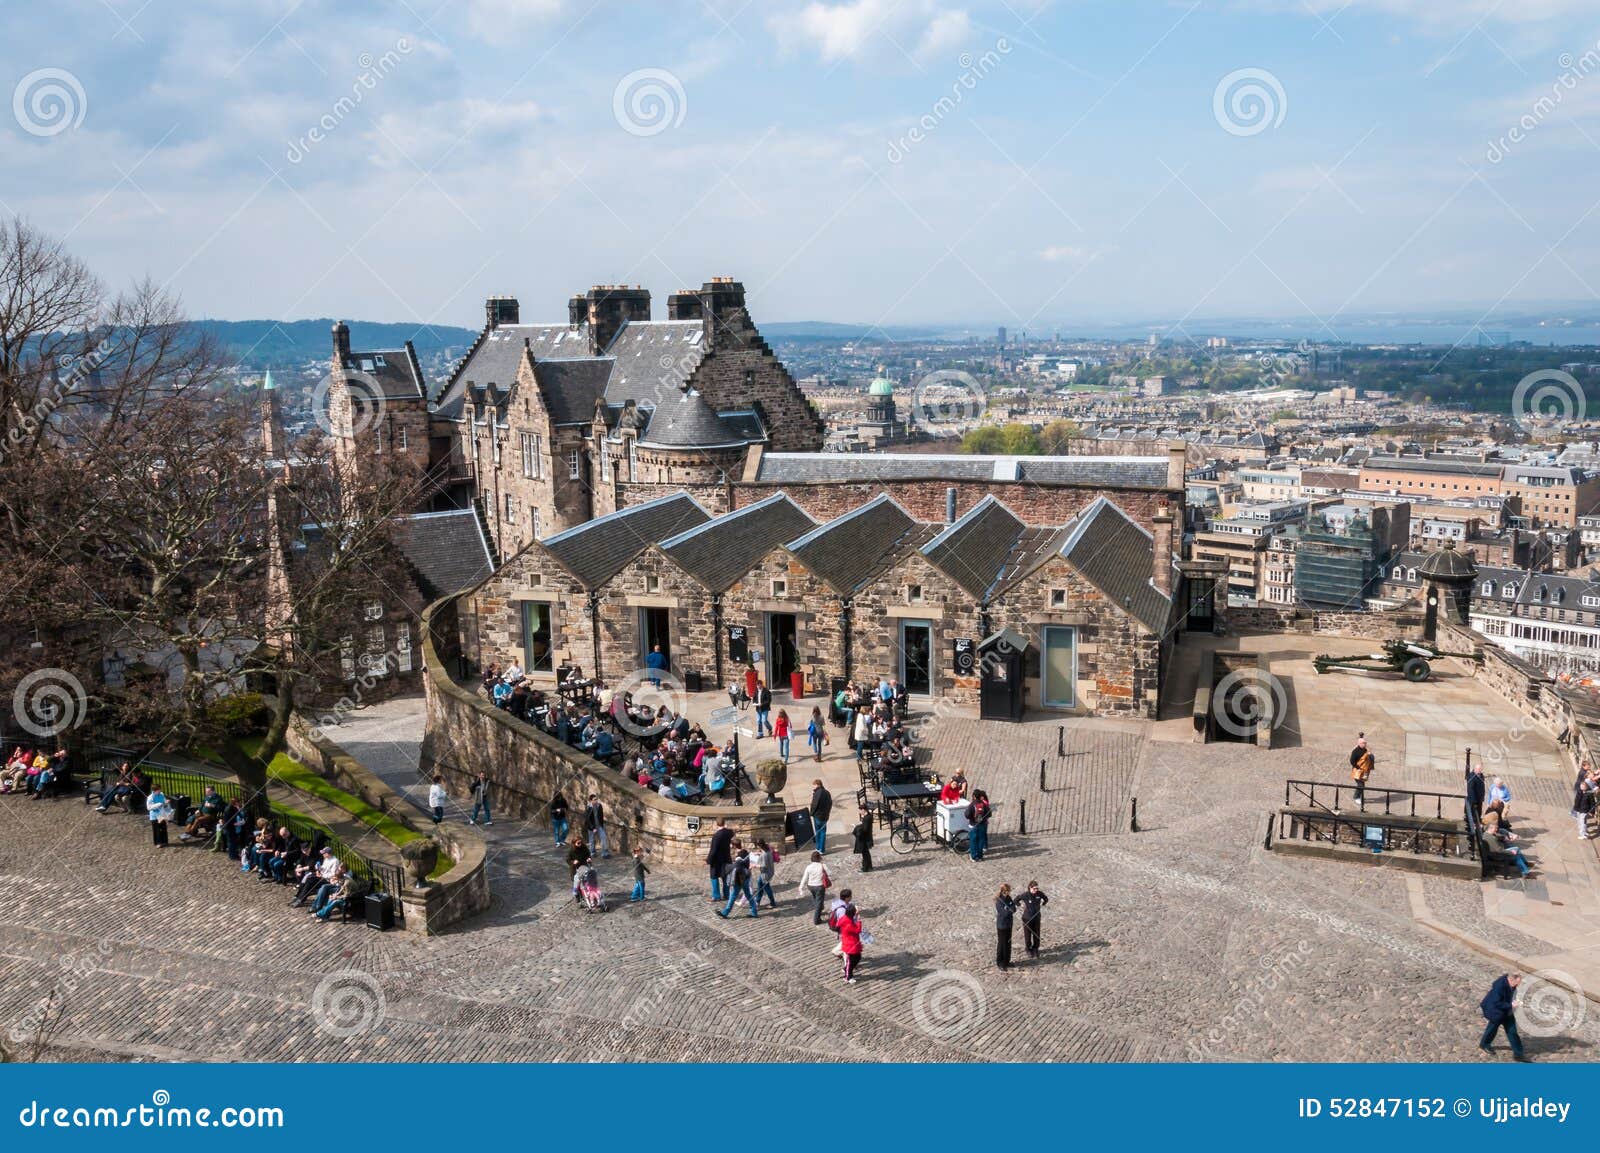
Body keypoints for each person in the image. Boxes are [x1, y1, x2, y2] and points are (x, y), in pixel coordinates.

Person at [1478, 972, 1528, 1061]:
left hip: (1507, 1012)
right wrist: (1511, 1005)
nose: (1517, 985)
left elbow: (1510, 995)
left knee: (1512, 1032)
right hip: (1496, 1012)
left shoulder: (1511, 984)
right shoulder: (1499, 987)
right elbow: (1496, 1003)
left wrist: (1514, 1001)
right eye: (1517, 983)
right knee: (1492, 1029)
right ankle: (1484, 1044)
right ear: (1510, 979)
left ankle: (1518, 1054)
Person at [1482, 809, 1532, 878]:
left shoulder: (1487, 833)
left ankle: (1525, 869)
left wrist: (1504, 837)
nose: (1497, 829)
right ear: (1491, 827)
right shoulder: (1491, 838)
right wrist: (1511, 852)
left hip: (1496, 852)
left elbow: (1498, 835)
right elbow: (1499, 851)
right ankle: (1525, 870)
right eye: (1495, 828)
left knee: (1515, 850)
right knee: (1516, 852)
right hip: (1498, 856)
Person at [717, 845, 758, 918]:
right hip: (745, 878)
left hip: (739, 880)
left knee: (733, 896)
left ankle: (725, 913)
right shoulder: (747, 859)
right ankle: (754, 912)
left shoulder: (739, 862)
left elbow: (732, 868)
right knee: (748, 895)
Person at [1015, 881, 1049, 958]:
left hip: (1036, 917)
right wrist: (1020, 905)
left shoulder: (1039, 894)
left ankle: (1035, 948)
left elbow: (1046, 899)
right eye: (1034, 888)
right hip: (1027, 918)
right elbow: (1016, 900)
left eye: (1037, 888)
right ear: (1030, 887)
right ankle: (1028, 949)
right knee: (1028, 935)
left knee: (1036, 934)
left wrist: (1043, 904)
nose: (1036, 890)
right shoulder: (1025, 895)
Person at [706, 816, 734, 901]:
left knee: (714, 877)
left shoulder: (716, 836)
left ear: (716, 824)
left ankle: (716, 896)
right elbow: (732, 833)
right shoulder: (729, 832)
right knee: (725, 877)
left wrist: (708, 860)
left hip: (717, 860)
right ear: (724, 822)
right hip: (726, 858)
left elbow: (713, 849)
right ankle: (727, 895)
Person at [798, 850, 830, 924]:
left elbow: (804, 878)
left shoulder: (808, 867)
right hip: (819, 886)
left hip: (811, 886)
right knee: (819, 901)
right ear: (819, 858)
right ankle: (817, 919)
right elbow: (830, 873)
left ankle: (820, 909)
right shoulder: (822, 865)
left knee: (816, 899)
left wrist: (801, 887)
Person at [837, 902, 864, 983]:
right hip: (851, 945)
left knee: (857, 957)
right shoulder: (848, 923)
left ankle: (846, 969)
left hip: (851, 942)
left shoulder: (845, 918)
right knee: (851, 961)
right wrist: (859, 921)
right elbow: (857, 930)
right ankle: (848, 976)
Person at [966, 790, 992, 862]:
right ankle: (980, 856)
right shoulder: (983, 804)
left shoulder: (972, 804)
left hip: (973, 825)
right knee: (981, 840)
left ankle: (974, 857)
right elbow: (989, 814)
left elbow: (967, 815)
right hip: (982, 825)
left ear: (974, 796)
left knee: (973, 841)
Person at [995, 883, 1016, 970]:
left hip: (1009, 924)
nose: (1009, 892)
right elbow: (1004, 913)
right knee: (1002, 945)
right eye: (1008, 891)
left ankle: (1007, 961)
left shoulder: (1009, 898)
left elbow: (1014, 908)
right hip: (1002, 926)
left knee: (1008, 944)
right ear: (1004, 891)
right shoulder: (999, 901)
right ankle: (1000, 962)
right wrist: (1009, 909)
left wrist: (1009, 909)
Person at [753, 838, 778, 909]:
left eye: (756, 845)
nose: (756, 847)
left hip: (765, 873)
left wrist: (755, 865)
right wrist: (759, 853)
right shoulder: (768, 848)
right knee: (760, 886)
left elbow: (764, 866)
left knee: (767, 888)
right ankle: (757, 902)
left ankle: (773, 903)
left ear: (759, 845)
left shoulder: (764, 854)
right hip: (769, 871)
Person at [810, 779, 832, 854]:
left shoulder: (817, 793)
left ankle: (818, 847)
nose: (814, 787)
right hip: (825, 816)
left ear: (818, 784)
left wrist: (811, 813)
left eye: (814, 785)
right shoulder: (827, 793)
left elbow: (814, 805)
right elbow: (830, 804)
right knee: (823, 832)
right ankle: (822, 850)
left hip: (817, 816)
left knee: (818, 832)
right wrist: (828, 813)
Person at [566, 836, 592, 901]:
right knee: (577, 882)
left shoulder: (584, 847)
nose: (580, 844)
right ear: (574, 843)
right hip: (574, 869)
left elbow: (588, 854)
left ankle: (585, 894)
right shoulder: (571, 850)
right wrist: (573, 862)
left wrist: (589, 858)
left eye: (580, 842)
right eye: (578, 843)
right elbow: (568, 859)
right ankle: (578, 895)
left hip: (583, 867)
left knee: (585, 881)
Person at [1350, 743, 1375, 808]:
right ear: (1360, 744)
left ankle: (1359, 796)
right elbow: (1352, 761)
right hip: (1357, 771)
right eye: (1364, 743)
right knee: (1361, 785)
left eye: (1365, 743)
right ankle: (1356, 797)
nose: (1365, 744)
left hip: (1364, 771)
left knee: (1362, 784)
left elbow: (1370, 759)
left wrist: (1370, 755)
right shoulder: (1355, 751)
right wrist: (1357, 767)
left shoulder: (1365, 750)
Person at [852, 808, 874, 873]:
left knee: (865, 853)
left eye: (860, 810)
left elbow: (865, 829)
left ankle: (865, 868)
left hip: (865, 839)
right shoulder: (868, 817)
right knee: (866, 853)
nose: (859, 812)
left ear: (864, 810)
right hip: (867, 837)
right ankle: (869, 866)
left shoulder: (866, 818)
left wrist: (856, 828)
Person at [1466, 764, 1486, 829]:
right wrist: (1474, 801)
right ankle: (1473, 824)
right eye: (1479, 769)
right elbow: (1470, 790)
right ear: (1475, 769)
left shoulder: (1481, 775)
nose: (1480, 770)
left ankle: (1477, 822)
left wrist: (1482, 797)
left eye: (1481, 769)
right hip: (1474, 799)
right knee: (1473, 812)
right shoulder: (1471, 777)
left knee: (1479, 811)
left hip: (1480, 798)